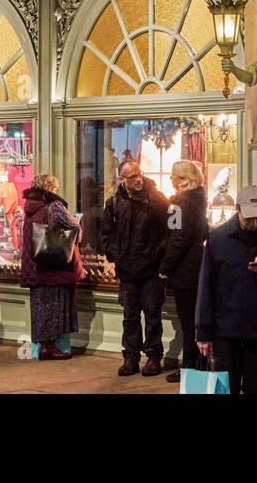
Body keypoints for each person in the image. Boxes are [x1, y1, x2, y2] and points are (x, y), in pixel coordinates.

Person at [194, 185, 257, 394]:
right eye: (249, 218)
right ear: (238, 209)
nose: (254, 223)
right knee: (223, 390)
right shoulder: (218, 238)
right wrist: (203, 331)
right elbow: (206, 286)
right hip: (225, 332)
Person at [101, 160, 170, 377]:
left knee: (152, 315)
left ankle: (153, 357)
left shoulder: (157, 199)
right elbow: (106, 234)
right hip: (127, 271)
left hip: (151, 270)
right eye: (132, 177)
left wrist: (156, 256)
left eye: (139, 174)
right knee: (130, 316)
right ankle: (130, 357)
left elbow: (168, 233)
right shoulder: (113, 202)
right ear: (123, 179)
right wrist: (115, 256)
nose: (138, 179)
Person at [20, 173, 85, 360]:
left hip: (36, 265)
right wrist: (78, 223)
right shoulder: (54, 206)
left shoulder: (30, 207)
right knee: (55, 306)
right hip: (54, 265)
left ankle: (43, 345)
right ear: (51, 188)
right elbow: (73, 228)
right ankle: (49, 347)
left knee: (41, 305)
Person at [160, 160, 209, 383]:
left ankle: (190, 368)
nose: (170, 179)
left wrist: (165, 267)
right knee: (196, 321)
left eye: (173, 175)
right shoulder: (200, 198)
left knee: (188, 322)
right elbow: (203, 231)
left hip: (184, 270)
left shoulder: (179, 202)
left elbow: (177, 237)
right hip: (197, 264)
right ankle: (198, 364)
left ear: (182, 179)